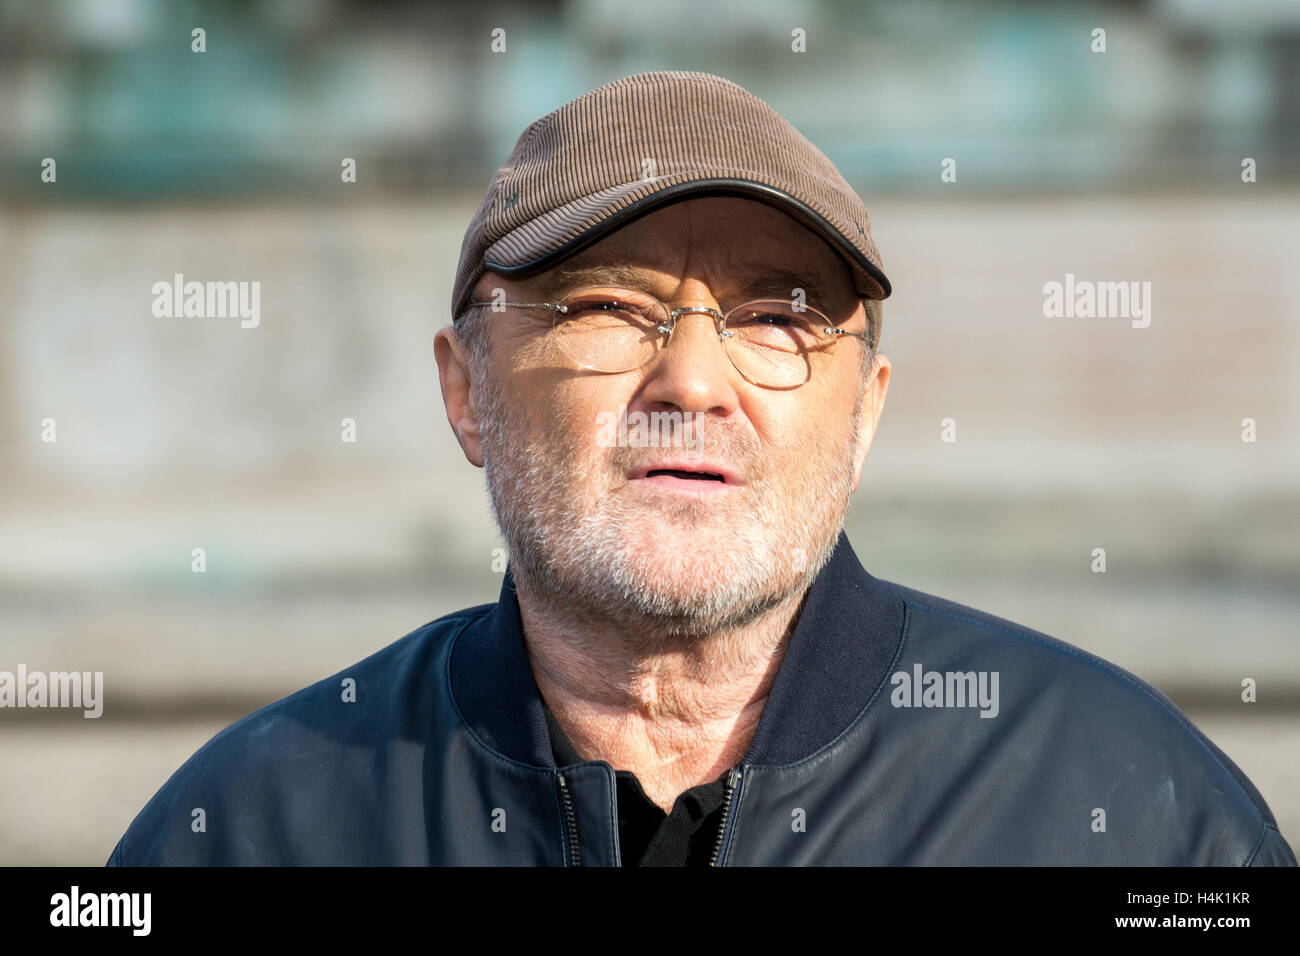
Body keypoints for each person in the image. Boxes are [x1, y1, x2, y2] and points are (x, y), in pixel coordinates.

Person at [108, 70, 1295, 866]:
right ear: (466, 391)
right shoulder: (254, 826)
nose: (692, 380)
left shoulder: (1133, 810)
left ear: (865, 414)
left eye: (778, 320)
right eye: (608, 306)